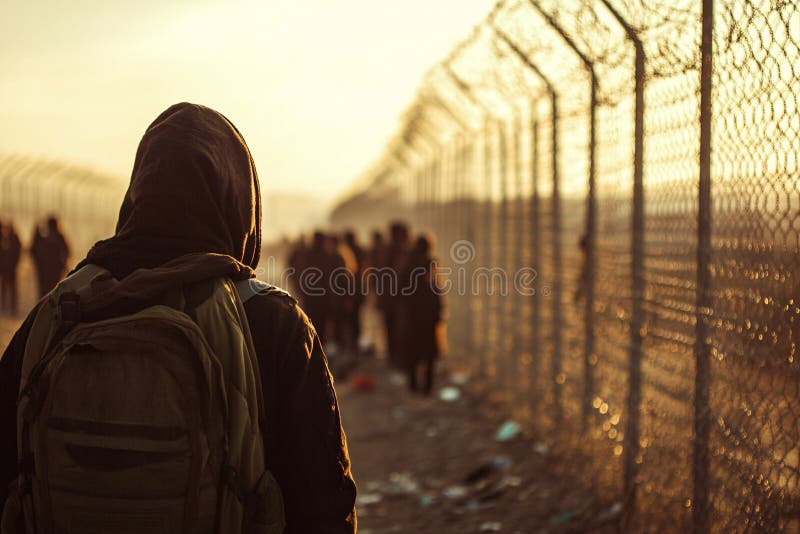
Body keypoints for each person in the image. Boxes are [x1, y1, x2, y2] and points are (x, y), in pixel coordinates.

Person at [0, 103, 356, 532]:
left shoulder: (61, 311)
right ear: (241, 203)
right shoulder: (271, 324)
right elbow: (324, 501)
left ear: (136, 195)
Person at [399, 234, 443, 395]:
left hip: (411, 314)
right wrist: (439, 311)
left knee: (412, 349)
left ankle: (413, 385)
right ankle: (427, 387)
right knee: (429, 351)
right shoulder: (430, 264)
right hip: (427, 314)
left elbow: (400, 289)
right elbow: (435, 289)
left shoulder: (407, 263)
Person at [30, 216, 70, 297]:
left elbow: (66, 251)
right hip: (48, 270)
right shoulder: (56, 237)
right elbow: (33, 250)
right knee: (50, 293)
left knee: (48, 293)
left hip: (49, 270)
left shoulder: (48, 238)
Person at [0, 221, 22, 315]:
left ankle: (13, 307)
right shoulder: (3, 238)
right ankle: (4, 305)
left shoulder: (14, 239)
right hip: (5, 268)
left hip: (12, 268)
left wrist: (15, 263)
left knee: (12, 288)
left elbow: (18, 252)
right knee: (4, 287)